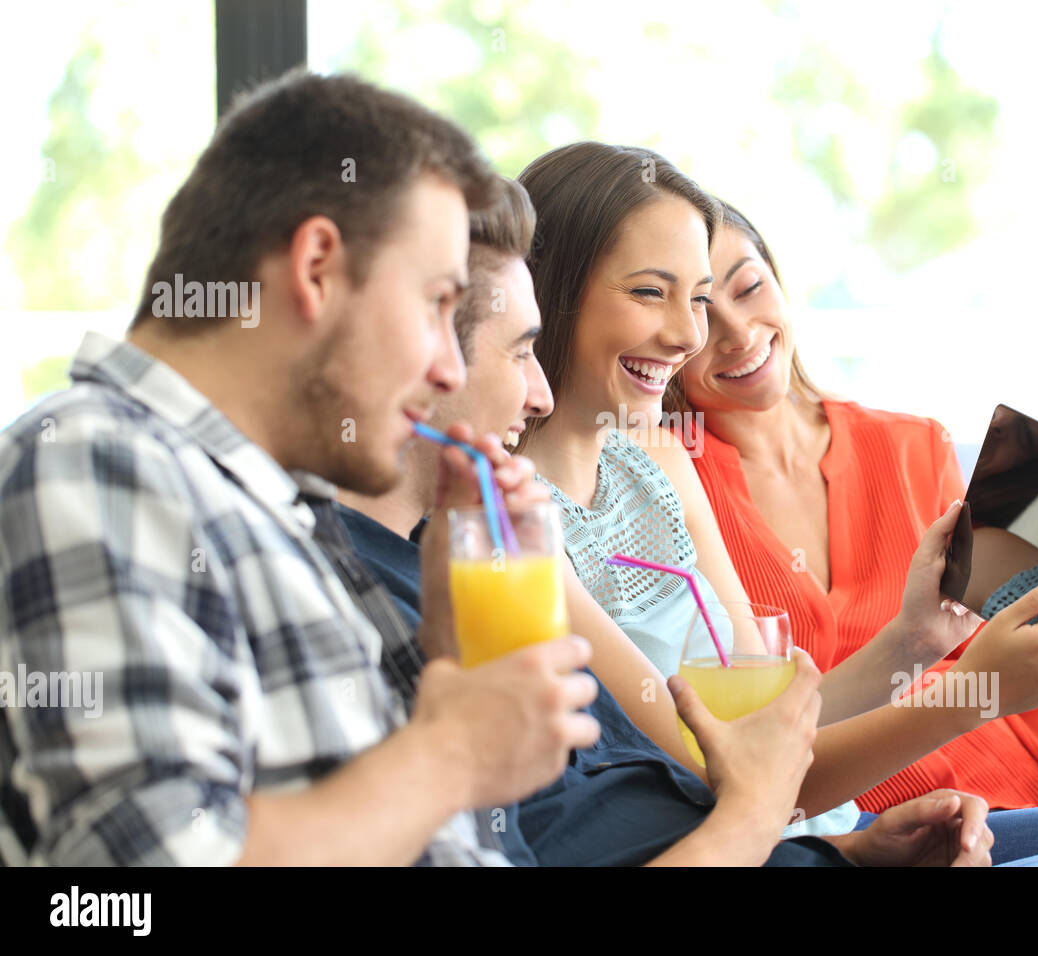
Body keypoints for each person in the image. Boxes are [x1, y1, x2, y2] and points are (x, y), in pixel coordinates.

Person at [340, 173, 1038, 867]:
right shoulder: (507, 533)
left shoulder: (660, 460)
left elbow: (766, 711)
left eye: (712, 295)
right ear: (554, 295)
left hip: (832, 838)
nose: (690, 335)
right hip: (815, 830)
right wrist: (972, 697)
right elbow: (724, 764)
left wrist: (915, 638)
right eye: (653, 295)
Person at [0, 71, 601, 866]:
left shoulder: (272, 502)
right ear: (317, 265)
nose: (447, 370)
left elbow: (360, 811)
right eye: (434, 305)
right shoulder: (96, 459)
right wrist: (450, 752)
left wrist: (447, 657)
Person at [665, 198, 1038, 814]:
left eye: (750, 287)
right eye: (703, 310)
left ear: (778, 281)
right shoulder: (669, 491)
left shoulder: (911, 444)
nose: (737, 333)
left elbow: (1015, 645)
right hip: (912, 826)